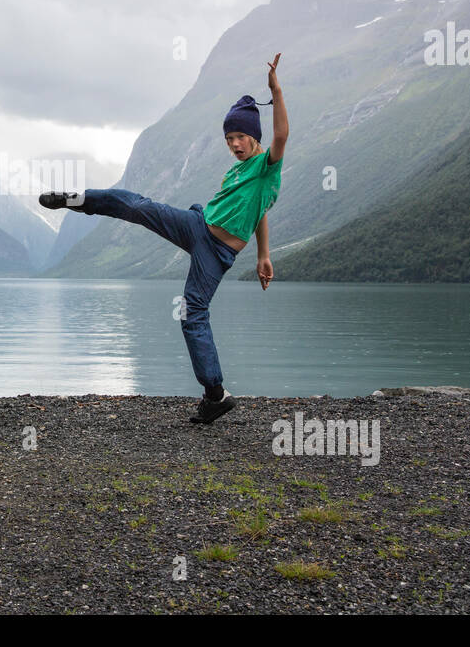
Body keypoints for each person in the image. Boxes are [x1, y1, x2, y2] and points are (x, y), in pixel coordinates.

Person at [40, 54, 289, 424]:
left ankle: (215, 395)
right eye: (229, 138)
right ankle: (76, 200)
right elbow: (258, 213)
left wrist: (277, 90)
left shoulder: (267, 166)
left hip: (217, 252)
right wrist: (263, 254)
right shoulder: (236, 173)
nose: (234, 144)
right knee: (139, 207)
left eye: (240, 137)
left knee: (192, 314)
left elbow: (281, 137)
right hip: (196, 225)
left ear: (254, 136)